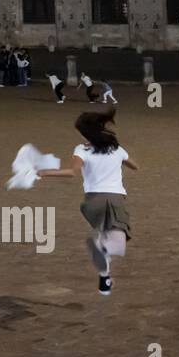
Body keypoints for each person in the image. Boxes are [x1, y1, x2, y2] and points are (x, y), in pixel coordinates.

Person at [38, 106, 138, 296]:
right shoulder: (116, 149)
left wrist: (45, 172)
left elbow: (71, 172)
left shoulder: (81, 150)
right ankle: (99, 250)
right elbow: (134, 165)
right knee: (118, 242)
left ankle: (104, 281)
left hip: (91, 202)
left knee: (103, 235)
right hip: (113, 199)